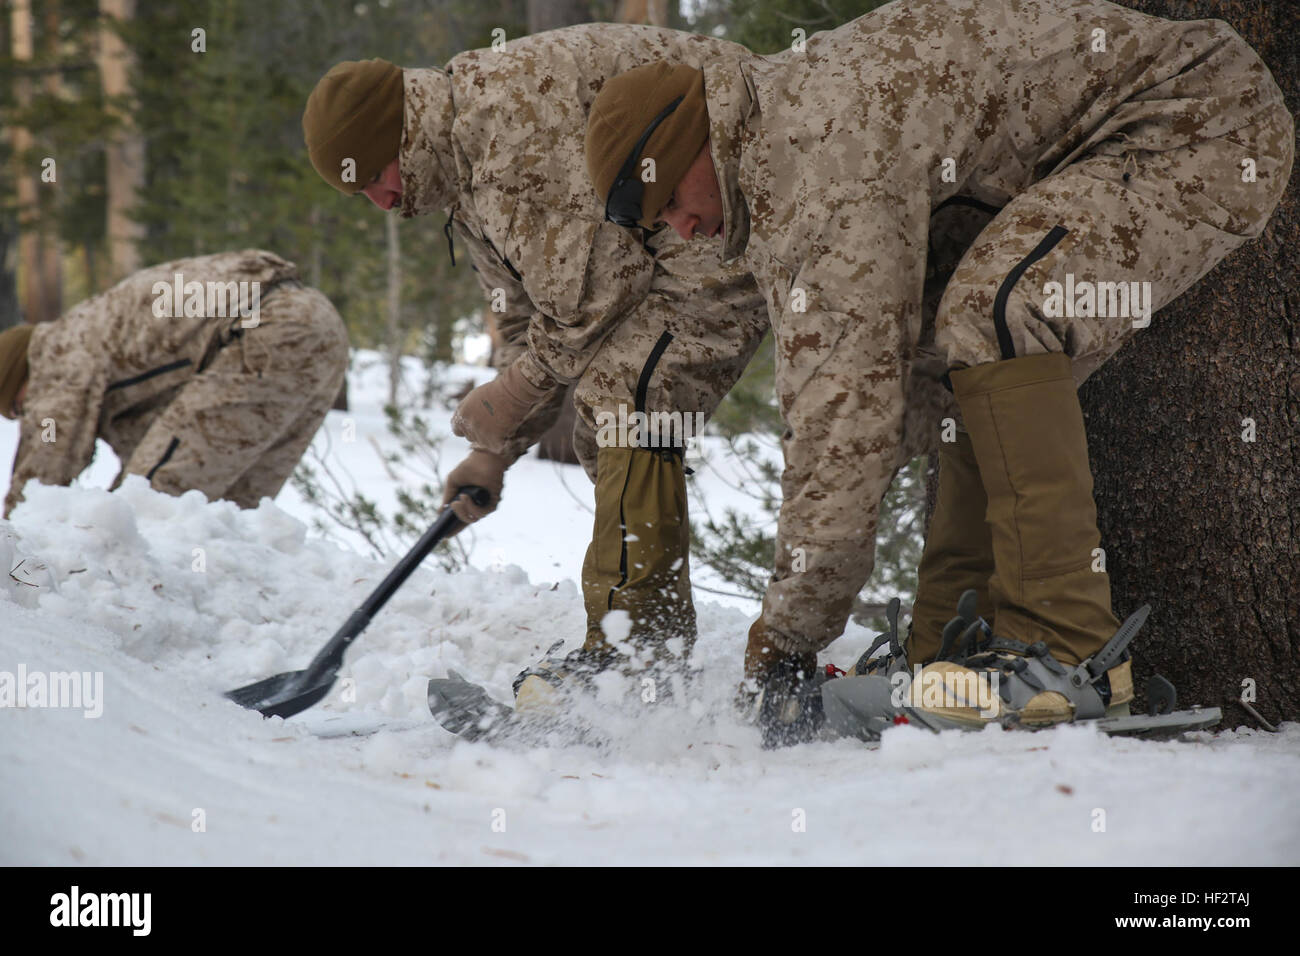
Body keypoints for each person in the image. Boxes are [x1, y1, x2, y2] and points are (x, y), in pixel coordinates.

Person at [583, 0, 1293, 743]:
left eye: (669, 203)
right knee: (962, 352)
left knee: (999, 311)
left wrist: (786, 642)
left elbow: (842, 424)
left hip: (1199, 122)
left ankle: (1066, 652)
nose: (684, 229)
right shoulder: (776, 141)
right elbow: (889, 399)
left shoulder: (811, 158)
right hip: (1119, 142)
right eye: (659, 223)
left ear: (693, 143)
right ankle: (953, 647)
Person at [301, 25, 779, 705]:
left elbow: (598, 292)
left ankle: (631, 659)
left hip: (736, 192)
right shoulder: (460, 170)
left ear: (406, 133)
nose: (382, 203)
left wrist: (513, 390)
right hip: (678, 225)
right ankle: (647, 649)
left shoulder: (502, 126)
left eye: (378, 177)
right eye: (363, 195)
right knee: (617, 418)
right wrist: (494, 449)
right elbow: (534, 318)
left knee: (626, 399)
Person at [0, 250, 348, 517]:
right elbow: (164, 441)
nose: (27, 414)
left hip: (267, 328)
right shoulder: (95, 331)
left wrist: (16, 544)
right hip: (319, 327)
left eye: (18, 406)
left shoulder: (56, 352)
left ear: (19, 373)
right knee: (225, 518)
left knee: (141, 511)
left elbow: (45, 467)